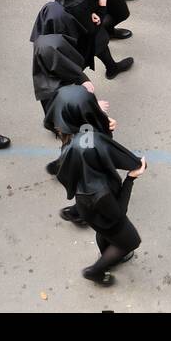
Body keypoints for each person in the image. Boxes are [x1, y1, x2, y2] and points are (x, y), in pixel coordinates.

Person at [54, 119, 146, 285]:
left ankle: (106, 251)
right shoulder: (100, 190)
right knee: (130, 242)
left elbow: (91, 134)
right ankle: (95, 271)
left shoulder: (73, 151)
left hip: (89, 211)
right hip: (105, 212)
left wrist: (104, 122)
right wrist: (130, 179)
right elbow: (119, 212)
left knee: (104, 232)